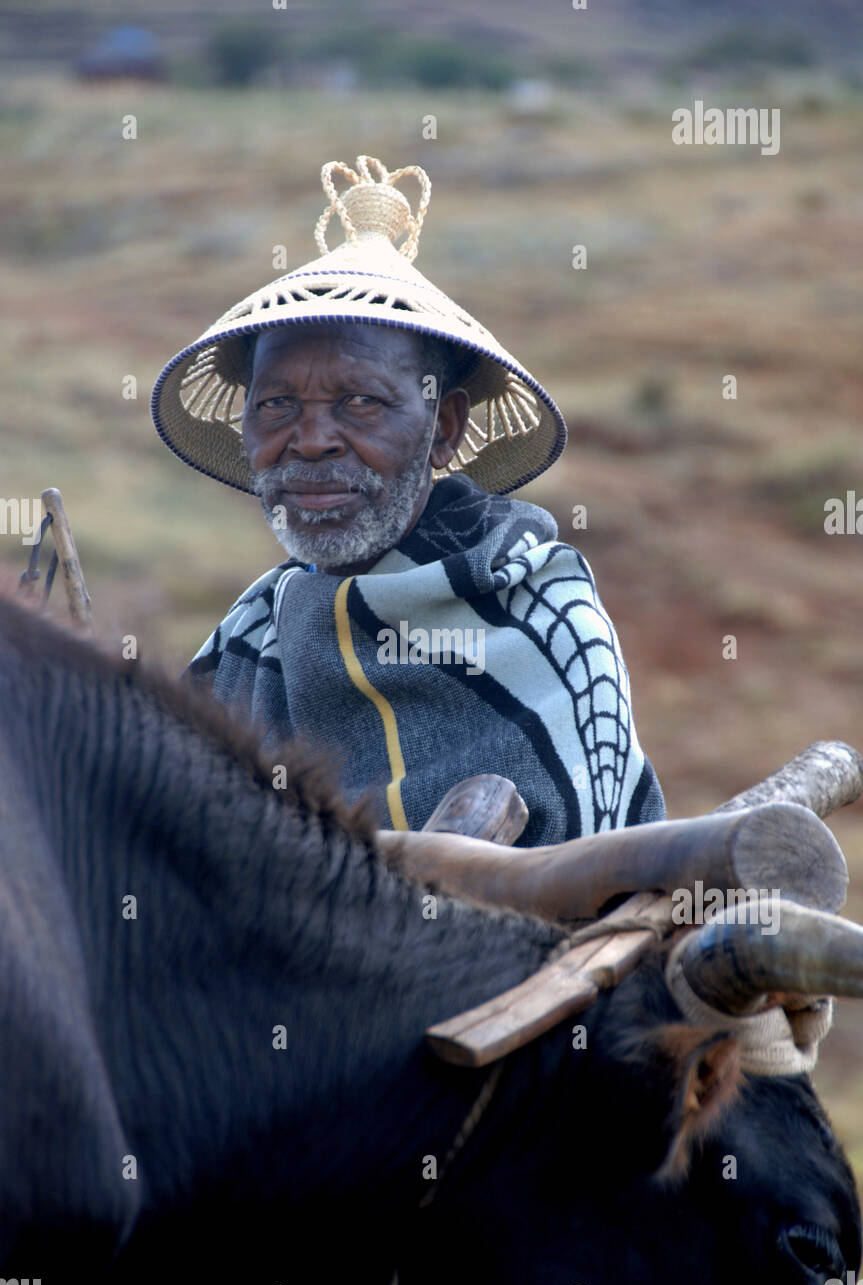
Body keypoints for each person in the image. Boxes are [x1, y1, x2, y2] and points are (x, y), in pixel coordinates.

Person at [151, 155, 664, 845]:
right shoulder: (254, 634)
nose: (309, 442)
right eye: (275, 404)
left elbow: (587, 905)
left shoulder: (543, 623)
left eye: (359, 402)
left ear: (442, 429)